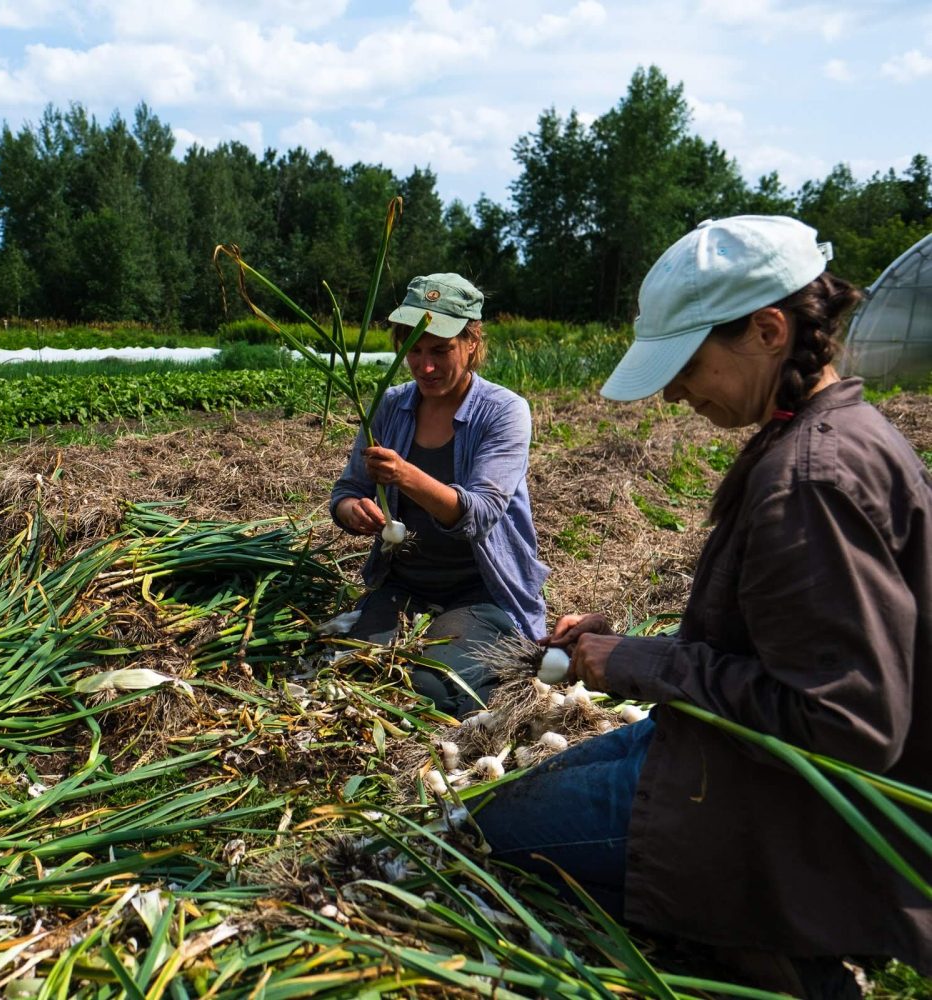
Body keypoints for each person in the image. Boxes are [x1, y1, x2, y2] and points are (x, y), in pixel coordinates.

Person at [475, 216, 932, 997]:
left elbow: (845, 726)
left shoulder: (810, 481)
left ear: (766, 330)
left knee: (494, 840)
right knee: (510, 805)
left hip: (790, 806)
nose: (676, 389)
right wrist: (628, 647)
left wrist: (646, 662)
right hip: (738, 754)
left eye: (686, 362)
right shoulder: (828, 431)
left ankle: (768, 931)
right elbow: (795, 643)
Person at [330, 273, 547, 716]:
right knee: (356, 672)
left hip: (481, 589)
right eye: (414, 349)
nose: (425, 366)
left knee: (439, 689)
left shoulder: (503, 411)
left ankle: (503, 655)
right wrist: (353, 511)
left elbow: (480, 514)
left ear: (471, 342)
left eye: (440, 350)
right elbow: (347, 490)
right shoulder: (390, 406)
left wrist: (406, 475)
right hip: (403, 583)